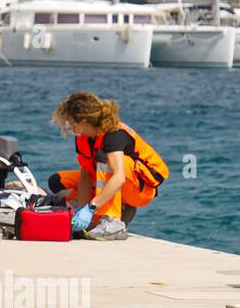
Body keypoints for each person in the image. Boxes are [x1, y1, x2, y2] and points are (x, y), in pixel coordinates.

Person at [48, 91, 168, 240]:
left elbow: (119, 177)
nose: (68, 125)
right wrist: (81, 207)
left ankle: (112, 220)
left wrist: (91, 208)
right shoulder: (83, 136)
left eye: (70, 121)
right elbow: (85, 175)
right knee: (58, 181)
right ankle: (99, 215)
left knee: (105, 160)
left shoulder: (113, 134)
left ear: (84, 121)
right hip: (112, 180)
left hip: (141, 188)